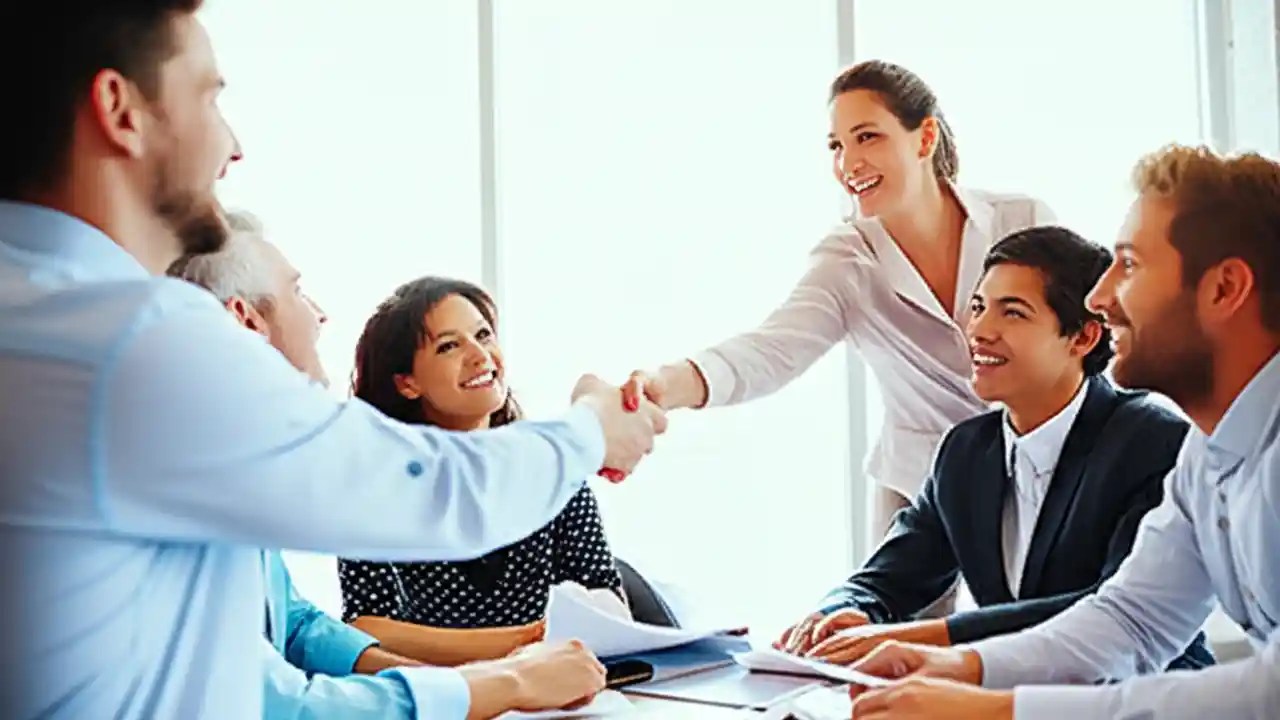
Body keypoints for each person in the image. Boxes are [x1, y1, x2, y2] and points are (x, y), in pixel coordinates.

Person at [0, 4, 664, 718]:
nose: (234, 145)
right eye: (209, 97)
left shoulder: (36, 319)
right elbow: (431, 493)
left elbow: (259, 655)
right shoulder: (134, 343)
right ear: (119, 110)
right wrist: (594, 429)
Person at [842, 144, 1280, 720]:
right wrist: (958, 668)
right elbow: (1132, 618)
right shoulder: (1206, 451)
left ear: (1224, 289)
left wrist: (995, 709)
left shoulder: (1173, 441)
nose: (1100, 300)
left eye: (1130, 265)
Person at [171, 213, 611, 719]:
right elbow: (280, 706)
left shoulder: (238, 474)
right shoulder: (190, 492)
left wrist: (458, 679)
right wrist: (501, 681)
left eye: (484, 334)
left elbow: (296, 626)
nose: (320, 316)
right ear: (246, 322)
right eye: (298, 292)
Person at [622, 60, 1055, 546]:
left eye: (867, 137)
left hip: (1039, 469)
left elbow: (1083, 342)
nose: (848, 164)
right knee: (885, 620)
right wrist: (665, 385)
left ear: (924, 137)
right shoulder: (848, 259)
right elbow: (770, 350)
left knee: (1049, 618)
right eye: (836, 146)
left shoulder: (1022, 220)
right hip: (918, 483)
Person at [771, 226, 1212, 673]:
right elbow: (891, 575)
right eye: (978, 307)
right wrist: (841, 615)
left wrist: (915, 637)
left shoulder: (1153, 442)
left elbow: (1111, 609)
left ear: (1083, 337)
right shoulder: (966, 451)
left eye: (1013, 313)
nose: (979, 330)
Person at [337, 276, 625, 664]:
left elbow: (607, 613)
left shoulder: (552, 473)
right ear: (407, 383)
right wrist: (532, 639)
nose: (480, 356)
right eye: (449, 346)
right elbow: (365, 629)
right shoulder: (377, 491)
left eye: (484, 335)